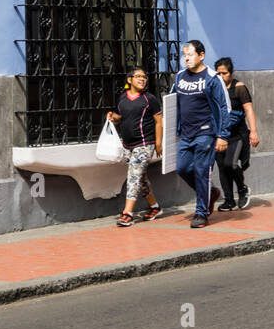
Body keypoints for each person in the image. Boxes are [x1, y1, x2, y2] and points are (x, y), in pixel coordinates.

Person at [170, 40, 231, 228]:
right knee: (182, 168)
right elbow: (171, 102)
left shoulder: (212, 78)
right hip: (186, 135)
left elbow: (224, 107)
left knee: (202, 171)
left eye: (190, 54)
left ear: (201, 55)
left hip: (206, 134)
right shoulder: (180, 77)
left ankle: (201, 213)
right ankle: (210, 193)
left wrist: (222, 135)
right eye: (184, 55)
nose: (186, 58)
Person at [105, 67, 164, 226]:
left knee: (133, 177)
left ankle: (127, 214)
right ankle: (154, 207)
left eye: (144, 77)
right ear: (129, 80)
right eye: (138, 76)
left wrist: (158, 143)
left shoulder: (149, 99)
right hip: (128, 145)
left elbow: (159, 121)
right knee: (141, 178)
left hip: (145, 144)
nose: (142, 79)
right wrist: (112, 117)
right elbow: (119, 117)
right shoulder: (123, 98)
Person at [214, 57, 259, 210]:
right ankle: (228, 200)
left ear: (231, 73)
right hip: (220, 135)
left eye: (224, 73)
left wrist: (253, 131)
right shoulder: (214, 88)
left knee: (230, 164)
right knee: (221, 167)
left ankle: (242, 189)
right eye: (218, 73)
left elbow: (248, 109)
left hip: (237, 135)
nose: (221, 76)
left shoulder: (239, 87)